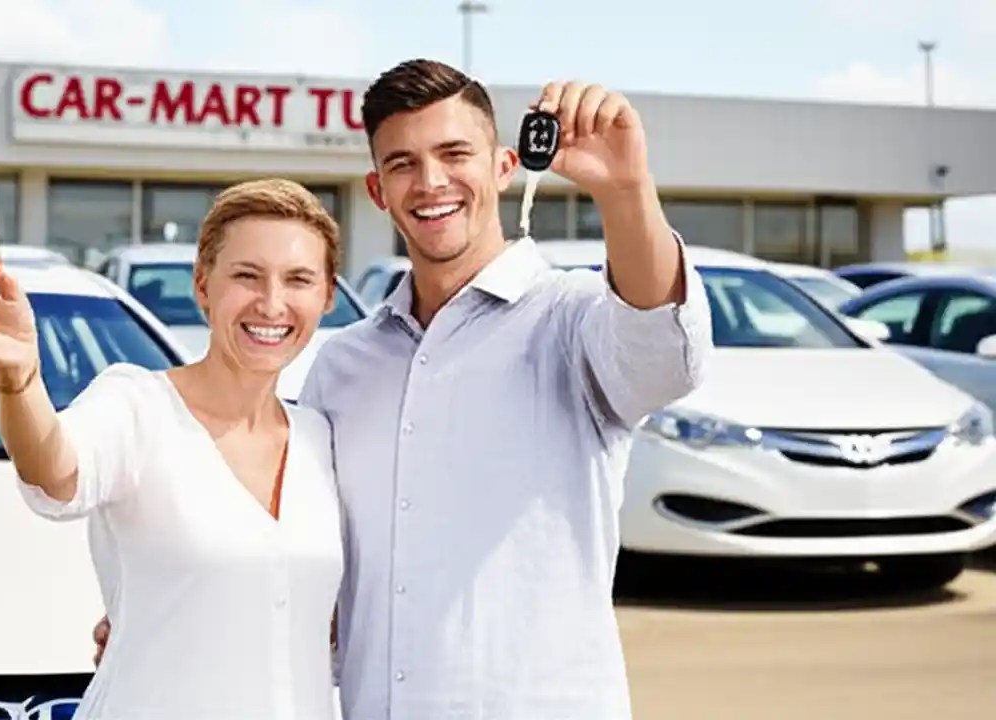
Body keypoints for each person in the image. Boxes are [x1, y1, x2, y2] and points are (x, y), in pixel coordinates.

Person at [95, 59, 714, 719]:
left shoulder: (572, 321)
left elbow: (663, 355)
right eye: (403, 164)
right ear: (377, 189)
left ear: (504, 166)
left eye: (455, 154)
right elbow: (310, 573)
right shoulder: (342, 366)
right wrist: (182, 615)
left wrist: (626, 191)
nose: (431, 182)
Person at [0, 178, 347, 719]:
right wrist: (19, 379)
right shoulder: (137, 407)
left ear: (326, 295)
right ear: (203, 286)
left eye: (298, 279)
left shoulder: (323, 439)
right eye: (246, 276)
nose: (272, 303)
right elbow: (54, 470)